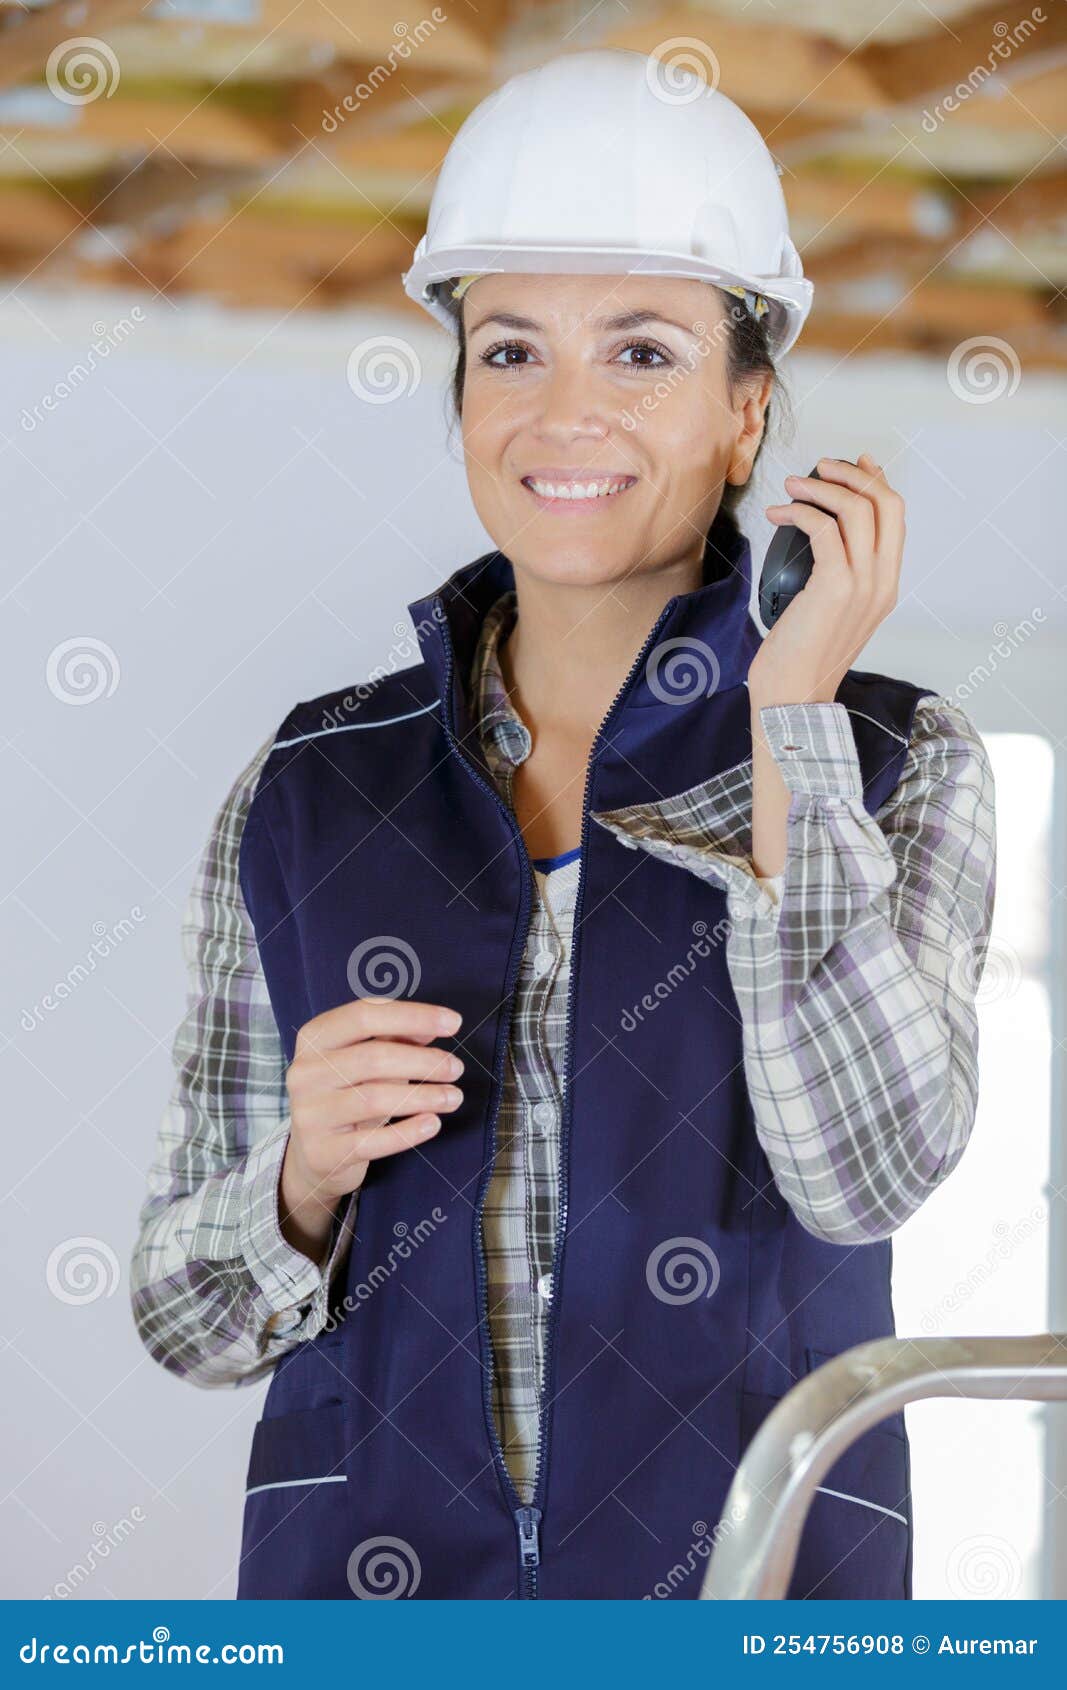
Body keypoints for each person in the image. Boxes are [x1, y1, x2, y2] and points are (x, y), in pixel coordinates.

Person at [130, 48, 996, 1601]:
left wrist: (791, 716)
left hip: (753, 1603)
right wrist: (300, 1179)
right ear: (459, 392)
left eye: (645, 353)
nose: (565, 411)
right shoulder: (313, 786)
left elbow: (860, 1172)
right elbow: (187, 1314)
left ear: (750, 416)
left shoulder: (892, 759)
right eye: (512, 349)